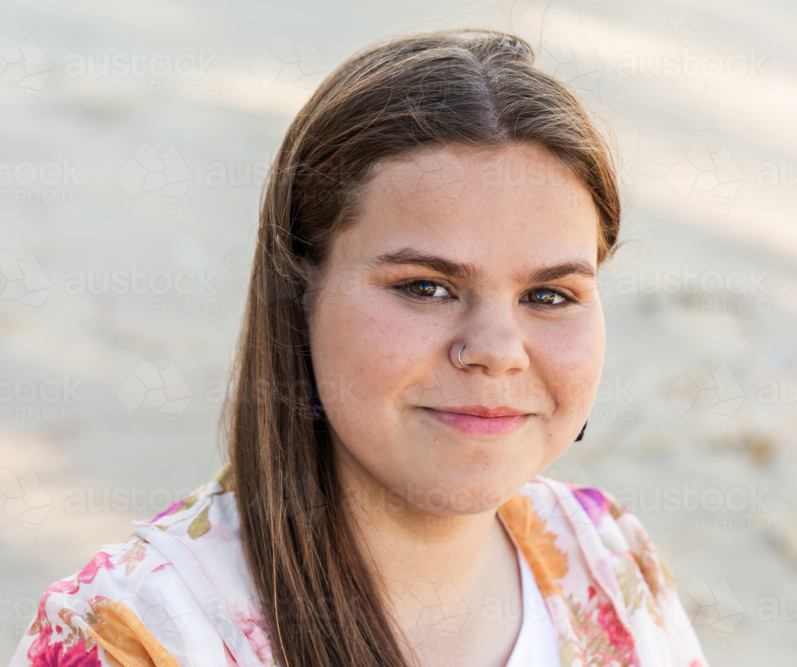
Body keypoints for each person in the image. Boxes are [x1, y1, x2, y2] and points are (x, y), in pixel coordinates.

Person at [10, 28, 709, 667]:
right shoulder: (131, 637)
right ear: (299, 293)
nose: (498, 351)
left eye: (549, 295)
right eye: (426, 287)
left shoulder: (607, 555)